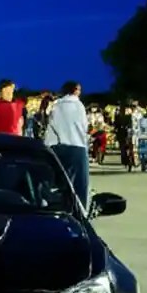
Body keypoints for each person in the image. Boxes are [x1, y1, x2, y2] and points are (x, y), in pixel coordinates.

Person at [44, 81, 90, 211]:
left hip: (57, 148)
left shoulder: (56, 106)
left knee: (59, 184)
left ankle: (57, 209)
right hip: (77, 147)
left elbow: (51, 126)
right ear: (75, 90)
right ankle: (80, 212)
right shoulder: (79, 106)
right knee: (80, 186)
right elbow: (84, 127)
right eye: (79, 89)